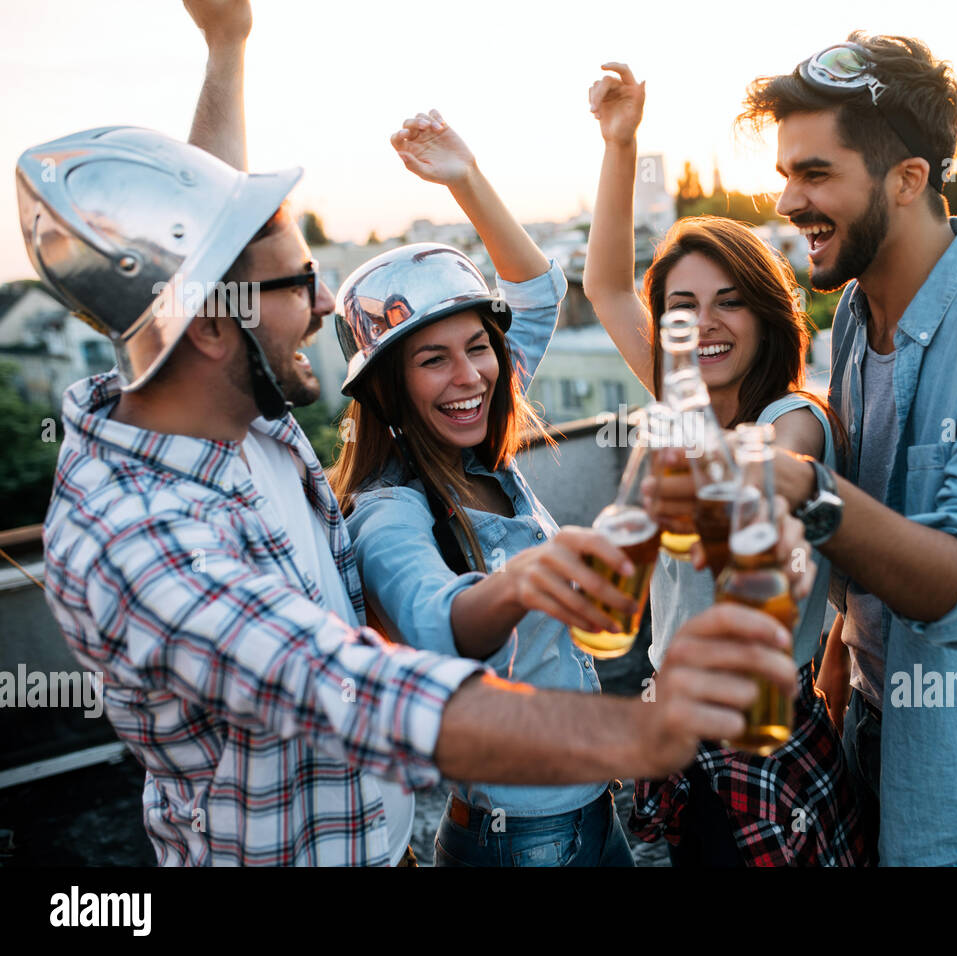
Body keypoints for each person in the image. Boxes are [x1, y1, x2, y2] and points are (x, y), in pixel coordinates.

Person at [23, 0, 796, 866]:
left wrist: (227, 46)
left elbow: (207, 241)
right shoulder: (135, 535)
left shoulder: (239, 422)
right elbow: (351, 686)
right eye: (300, 286)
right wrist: (644, 732)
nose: (321, 306)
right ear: (213, 324)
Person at [739, 33, 957, 866]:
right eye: (786, 173)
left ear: (908, 179)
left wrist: (798, 486)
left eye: (815, 173)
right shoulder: (856, 312)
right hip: (864, 740)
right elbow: (873, 559)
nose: (786, 202)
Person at [327, 107, 642, 866]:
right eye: (433, 359)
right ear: (390, 390)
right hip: (523, 838)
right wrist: (531, 578)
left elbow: (536, 291)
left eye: (478, 348)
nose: (468, 376)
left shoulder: (476, 437)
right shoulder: (387, 509)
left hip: (587, 807)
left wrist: (465, 178)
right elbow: (436, 627)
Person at [584, 64, 865, 866]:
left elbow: (775, 469)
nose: (703, 325)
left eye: (728, 301)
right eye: (682, 306)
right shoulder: (683, 403)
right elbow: (604, 285)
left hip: (764, 748)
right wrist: (621, 143)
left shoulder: (790, 417)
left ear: (765, 313)